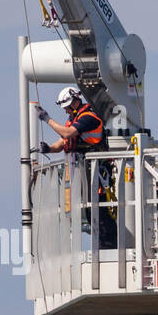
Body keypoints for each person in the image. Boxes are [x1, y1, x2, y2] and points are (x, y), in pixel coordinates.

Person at [35, 88, 116, 248]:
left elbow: (67, 134)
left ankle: (109, 245)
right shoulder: (75, 119)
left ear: (74, 102)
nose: (65, 110)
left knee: (100, 210)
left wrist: (47, 119)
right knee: (90, 210)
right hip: (86, 169)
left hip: (98, 169)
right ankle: (102, 244)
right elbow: (63, 143)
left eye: (66, 106)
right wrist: (49, 149)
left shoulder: (88, 118)